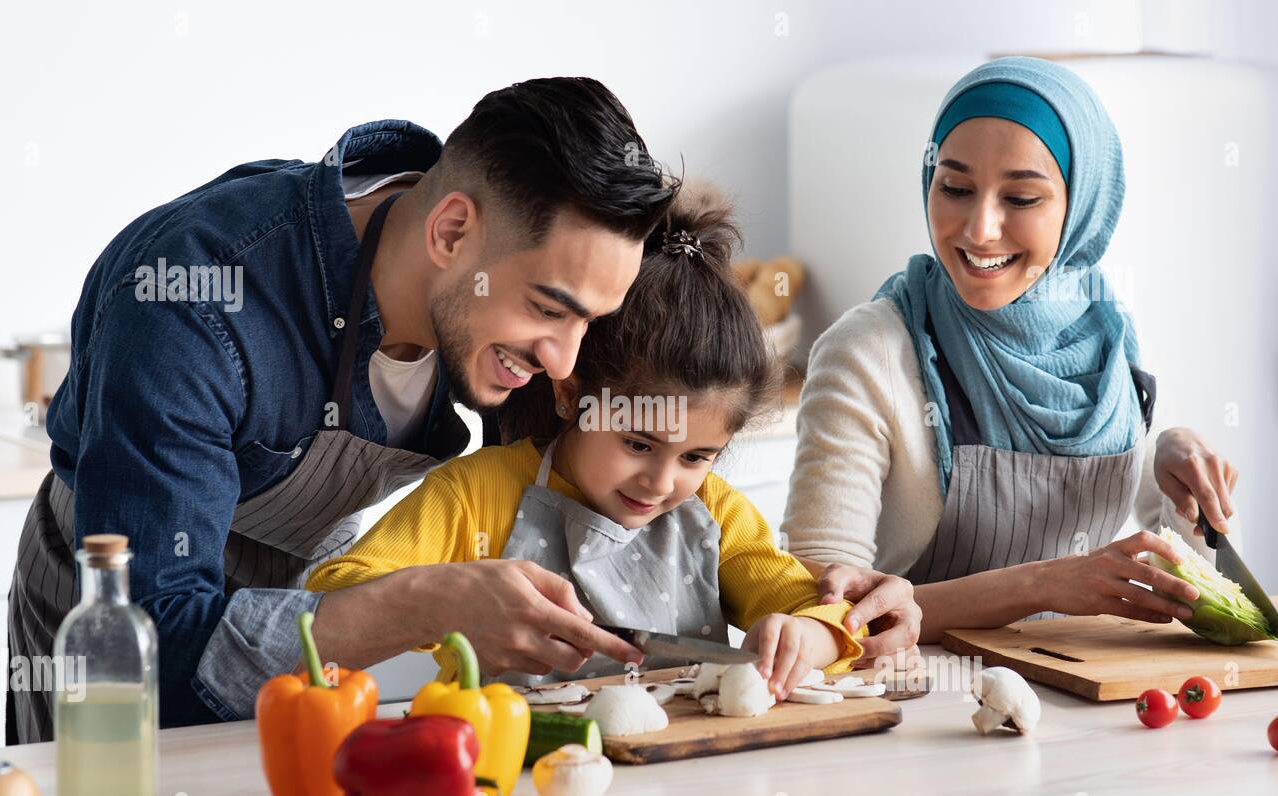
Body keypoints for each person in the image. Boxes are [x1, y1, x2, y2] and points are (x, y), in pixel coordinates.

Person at [7, 77, 677, 742]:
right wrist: (422, 604)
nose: (563, 361)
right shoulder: (191, 304)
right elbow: (163, 655)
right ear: (450, 232)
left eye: (588, 321)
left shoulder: (508, 298)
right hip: (113, 605)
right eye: (549, 310)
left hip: (299, 603)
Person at [308, 189, 922, 700]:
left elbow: (816, 607)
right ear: (571, 393)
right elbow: (334, 592)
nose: (661, 482)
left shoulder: (718, 516)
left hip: (680, 772)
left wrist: (807, 637)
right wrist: (445, 601)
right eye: (637, 442)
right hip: (515, 779)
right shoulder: (475, 494)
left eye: (695, 457)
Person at [783, 57, 1239, 642]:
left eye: (1021, 199)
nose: (979, 229)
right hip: (923, 710)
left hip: (1093, 702)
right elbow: (816, 604)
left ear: (1081, 207)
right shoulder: (869, 351)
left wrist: (1178, 464)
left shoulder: (1106, 336)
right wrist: (1038, 586)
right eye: (955, 188)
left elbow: (1206, 590)